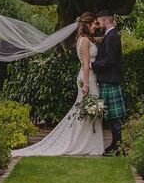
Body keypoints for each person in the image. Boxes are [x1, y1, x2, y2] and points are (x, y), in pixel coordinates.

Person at [11, 12, 105, 157]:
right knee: (88, 110)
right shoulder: (86, 41)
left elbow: (96, 43)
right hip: (87, 78)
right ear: (87, 24)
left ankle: (87, 142)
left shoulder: (81, 39)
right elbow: (86, 64)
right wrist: (86, 84)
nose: (96, 27)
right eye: (94, 24)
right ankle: (87, 144)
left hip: (84, 77)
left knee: (84, 110)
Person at [91, 10, 125, 155]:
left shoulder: (112, 37)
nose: (98, 25)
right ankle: (115, 144)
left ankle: (119, 147)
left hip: (110, 80)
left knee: (114, 116)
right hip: (108, 79)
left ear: (106, 21)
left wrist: (92, 65)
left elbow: (110, 61)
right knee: (111, 116)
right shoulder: (110, 36)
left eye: (99, 22)